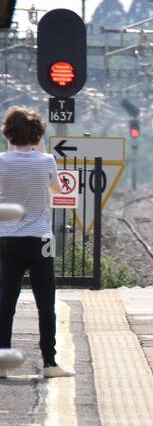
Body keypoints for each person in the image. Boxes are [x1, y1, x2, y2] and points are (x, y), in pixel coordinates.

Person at [0, 106, 72, 378]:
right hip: (41, 238)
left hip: (7, 238)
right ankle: (50, 363)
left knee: (6, 302)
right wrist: (40, 147)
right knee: (45, 302)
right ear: (38, 134)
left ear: (8, 133)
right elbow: (57, 189)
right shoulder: (46, 162)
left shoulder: (1, 161)